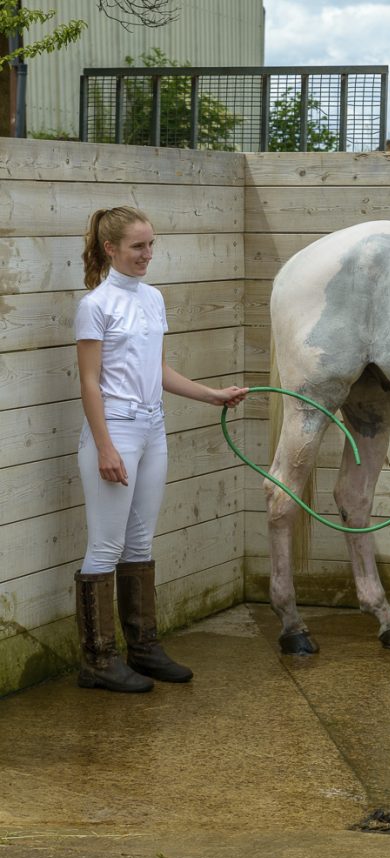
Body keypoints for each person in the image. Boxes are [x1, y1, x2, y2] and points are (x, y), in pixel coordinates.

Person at [74, 206, 247, 693]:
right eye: (137, 246)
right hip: (117, 432)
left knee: (140, 542)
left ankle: (143, 648)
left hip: (153, 429)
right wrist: (105, 446)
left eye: (151, 245)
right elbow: (90, 384)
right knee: (105, 546)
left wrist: (212, 395)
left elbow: (158, 372)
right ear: (111, 249)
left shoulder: (152, 298)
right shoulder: (96, 305)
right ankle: (97, 660)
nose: (148, 254)